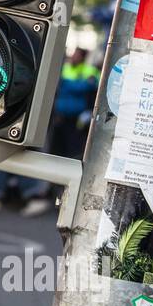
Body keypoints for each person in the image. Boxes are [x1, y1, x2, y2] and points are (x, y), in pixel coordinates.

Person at [21, 48, 100, 217]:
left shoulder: (88, 70)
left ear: (83, 57)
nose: (73, 57)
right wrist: (76, 85)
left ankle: (66, 196)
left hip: (75, 123)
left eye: (76, 55)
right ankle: (53, 194)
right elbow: (64, 85)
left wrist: (69, 84)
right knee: (55, 155)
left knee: (72, 157)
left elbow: (88, 86)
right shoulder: (66, 69)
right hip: (59, 119)